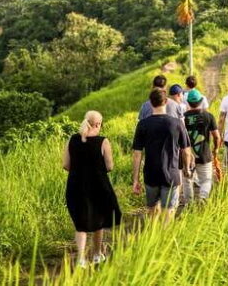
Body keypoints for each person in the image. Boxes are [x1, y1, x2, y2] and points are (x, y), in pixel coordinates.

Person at [63, 110, 121, 268]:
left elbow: (65, 165)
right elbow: (109, 166)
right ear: (98, 124)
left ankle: (81, 259)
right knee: (98, 220)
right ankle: (96, 255)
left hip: (76, 185)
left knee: (80, 223)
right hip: (98, 185)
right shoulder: (103, 142)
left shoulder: (72, 139)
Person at [132, 88, 192, 224]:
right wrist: (187, 169)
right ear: (166, 102)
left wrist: (135, 179)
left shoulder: (143, 125)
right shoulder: (177, 123)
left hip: (151, 174)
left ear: (151, 103)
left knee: (152, 209)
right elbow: (186, 151)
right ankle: (164, 238)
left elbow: (137, 154)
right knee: (169, 210)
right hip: (172, 174)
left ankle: (153, 235)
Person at [181, 89, 221, 203]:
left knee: (187, 180)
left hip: (186, 156)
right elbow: (217, 136)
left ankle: (189, 203)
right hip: (204, 154)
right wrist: (216, 149)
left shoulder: (183, 118)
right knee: (206, 180)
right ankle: (203, 198)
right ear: (201, 101)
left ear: (187, 102)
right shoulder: (208, 116)